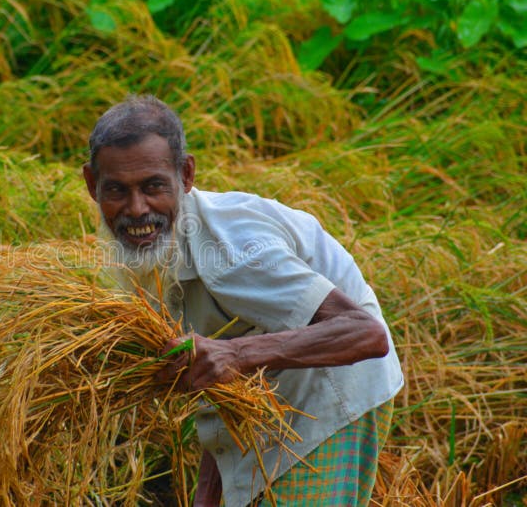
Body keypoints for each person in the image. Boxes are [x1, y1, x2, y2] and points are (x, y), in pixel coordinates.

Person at [82, 95, 404, 507]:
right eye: (116, 191)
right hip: (264, 402)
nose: (136, 209)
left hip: (328, 395)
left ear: (185, 175)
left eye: (153, 186)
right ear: (92, 185)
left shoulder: (233, 252)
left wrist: (235, 354)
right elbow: (217, 371)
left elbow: (365, 334)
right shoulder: (141, 260)